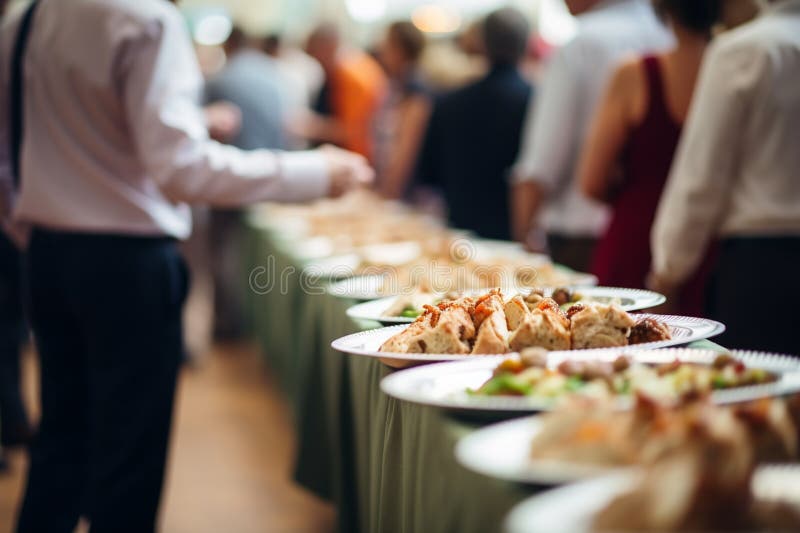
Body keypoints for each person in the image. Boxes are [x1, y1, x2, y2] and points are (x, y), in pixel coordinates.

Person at [0, 1, 371, 531]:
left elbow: (17, 151)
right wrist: (313, 173)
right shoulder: (144, 18)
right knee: (129, 455)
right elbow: (181, 168)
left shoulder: (23, 18)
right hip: (126, 263)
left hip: (49, 254)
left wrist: (29, 229)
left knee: (61, 438)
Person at [649, 0, 800, 352]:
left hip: (761, 271)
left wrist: (667, 271)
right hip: (762, 262)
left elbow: (701, 179)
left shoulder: (745, 50)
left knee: (758, 384)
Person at [577, 0, 721, 315]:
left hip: (639, 237)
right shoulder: (735, 71)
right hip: (710, 246)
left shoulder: (636, 74)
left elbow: (591, 181)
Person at [511, 0, 672, 272]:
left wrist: (523, 237)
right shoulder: (669, 36)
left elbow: (543, 160)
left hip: (579, 242)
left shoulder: (581, 44)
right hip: (657, 236)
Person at [416, 7, 532, 241]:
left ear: (483, 44)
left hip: (459, 229)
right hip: (514, 234)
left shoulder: (449, 102)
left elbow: (428, 173)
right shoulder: (535, 101)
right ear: (526, 44)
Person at [204, 26, 288, 340]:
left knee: (224, 253)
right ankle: (259, 324)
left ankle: (228, 324)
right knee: (258, 254)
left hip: (230, 176)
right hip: (271, 174)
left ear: (229, 45)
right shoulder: (274, 76)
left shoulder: (220, 79)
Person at [301, 23, 387, 160]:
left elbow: (354, 130)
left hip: (355, 158)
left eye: (314, 53)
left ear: (326, 47)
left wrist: (313, 127)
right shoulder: (350, 66)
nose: (316, 61)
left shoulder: (351, 75)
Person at [374, 21, 431, 200]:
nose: (382, 49)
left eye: (387, 44)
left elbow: (404, 152)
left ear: (400, 50)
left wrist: (387, 191)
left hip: (407, 194)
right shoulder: (396, 86)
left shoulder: (415, 92)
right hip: (390, 185)